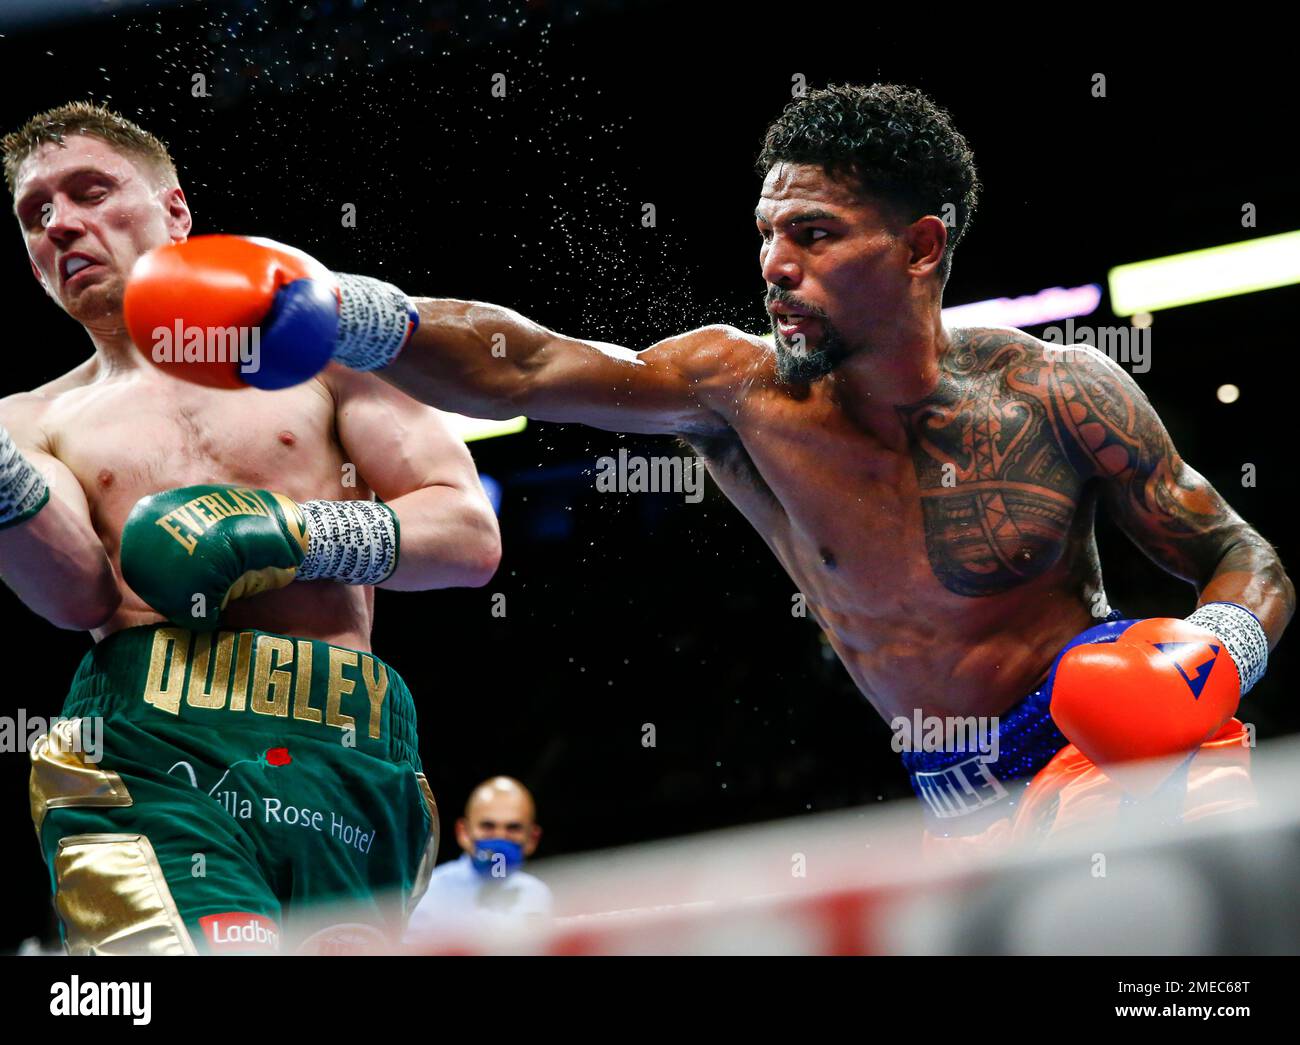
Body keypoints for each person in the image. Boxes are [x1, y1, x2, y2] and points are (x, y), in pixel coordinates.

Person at [123, 84, 1292, 849]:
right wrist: (343, 315)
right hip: (958, 793)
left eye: (815, 235)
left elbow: (1241, 555)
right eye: (766, 234)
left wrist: (1209, 652)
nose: (775, 265)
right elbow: (530, 365)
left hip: (1106, 733)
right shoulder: (740, 390)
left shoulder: (1059, 391)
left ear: (923, 245)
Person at [0, 102, 502, 953]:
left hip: (351, 743)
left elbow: (467, 534)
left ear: (176, 210)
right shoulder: (29, 421)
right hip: (149, 744)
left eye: (89, 191)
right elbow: (75, 592)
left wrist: (297, 533)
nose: (61, 225)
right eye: (35, 213)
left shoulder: (315, 345)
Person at [405, 776, 552, 942]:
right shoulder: (428, 892)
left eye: (513, 828)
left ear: (532, 838)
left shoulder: (538, 895)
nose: (500, 837)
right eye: (488, 826)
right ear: (464, 832)